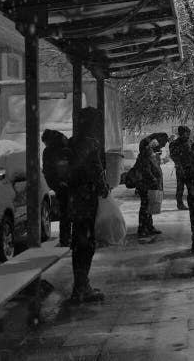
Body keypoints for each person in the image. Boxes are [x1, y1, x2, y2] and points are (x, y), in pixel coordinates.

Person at [67, 107, 109, 304]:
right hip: (86, 200)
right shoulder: (90, 145)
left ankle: (79, 286)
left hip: (75, 201)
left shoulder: (72, 143)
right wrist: (103, 188)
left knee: (79, 244)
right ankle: (82, 287)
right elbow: (96, 172)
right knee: (86, 245)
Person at [42, 129, 71, 246]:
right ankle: (75, 238)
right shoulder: (68, 145)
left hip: (61, 186)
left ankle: (65, 239)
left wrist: (56, 185)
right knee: (77, 213)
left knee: (65, 214)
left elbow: (48, 172)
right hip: (74, 184)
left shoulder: (49, 152)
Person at [136, 138, 164, 237]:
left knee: (149, 206)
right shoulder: (144, 156)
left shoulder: (149, 155)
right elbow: (146, 171)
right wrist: (154, 180)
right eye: (150, 144)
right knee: (145, 207)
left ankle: (149, 227)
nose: (152, 146)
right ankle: (142, 228)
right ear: (146, 146)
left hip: (149, 186)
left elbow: (153, 167)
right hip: (146, 186)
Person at [168, 126, 192, 210]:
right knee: (180, 187)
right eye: (187, 133)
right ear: (181, 133)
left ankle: (191, 203)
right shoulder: (175, 144)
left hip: (189, 168)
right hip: (181, 167)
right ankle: (180, 204)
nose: (188, 135)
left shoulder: (190, 142)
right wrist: (179, 165)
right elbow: (174, 156)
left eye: (189, 133)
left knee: (190, 187)